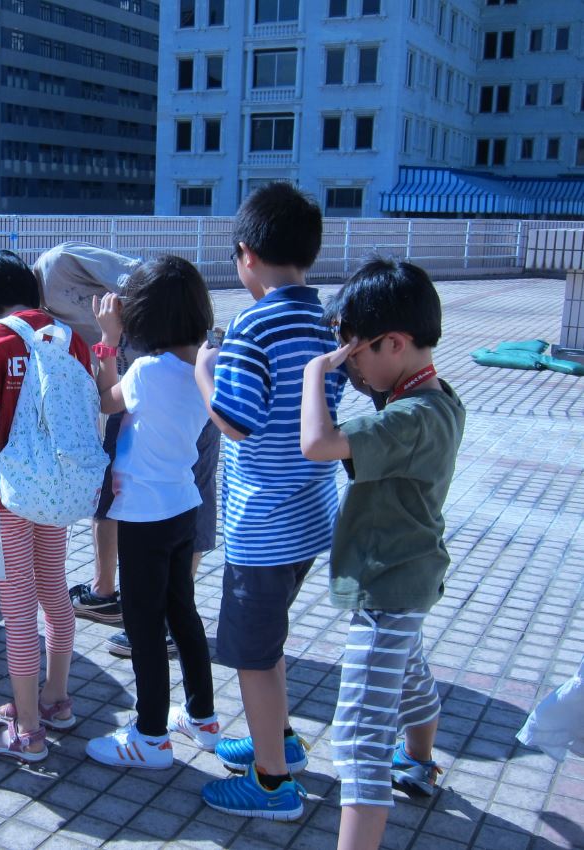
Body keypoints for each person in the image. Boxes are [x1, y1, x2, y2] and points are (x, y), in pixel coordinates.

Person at [300, 258, 465, 850]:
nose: (352, 366)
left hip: (389, 586)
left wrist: (315, 374)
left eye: (355, 352)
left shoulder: (411, 415)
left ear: (393, 343)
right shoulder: (435, 396)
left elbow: (318, 443)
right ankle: (419, 760)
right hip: (412, 573)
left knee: (357, 738)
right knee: (409, 676)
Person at [195, 182, 345, 820]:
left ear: (245, 253)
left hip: (261, 526)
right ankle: (277, 739)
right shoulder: (323, 317)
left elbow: (235, 420)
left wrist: (206, 367)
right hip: (311, 515)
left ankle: (270, 782)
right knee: (270, 641)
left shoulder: (255, 324)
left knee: (252, 655)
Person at [33, 243, 222, 655]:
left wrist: (109, 340)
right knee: (146, 490)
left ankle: (158, 628)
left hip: (142, 385)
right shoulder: (208, 368)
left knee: (147, 610)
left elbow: (142, 277)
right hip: (160, 390)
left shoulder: (57, 266)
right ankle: (136, 607)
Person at [83, 256, 221, 770]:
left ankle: (150, 736)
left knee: (143, 626)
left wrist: (109, 339)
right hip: (184, 505)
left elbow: (105, 398)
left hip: (143, 515)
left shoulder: (146, 370)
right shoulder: (204, 365)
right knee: (182, 614)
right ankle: (203, 719)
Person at [0, 249, 89, 762]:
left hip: (9, 496)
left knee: (17, 606)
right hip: (57, 491)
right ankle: (56, 699)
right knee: (55, 592)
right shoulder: (66, 336)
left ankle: (27, 731)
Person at [33, 242, 139, 625]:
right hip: (120, 388)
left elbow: (138, 275)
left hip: (160, 371)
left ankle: (158, 614)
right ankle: (104, 592)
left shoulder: (57, 262)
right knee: (107, 492)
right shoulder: (38, 324)